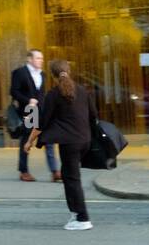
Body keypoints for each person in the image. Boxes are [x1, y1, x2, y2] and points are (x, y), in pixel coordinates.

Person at [27, 59, 97, 230]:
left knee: (72, 179)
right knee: (68, 176)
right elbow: (93, 115)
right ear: (69, 71)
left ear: (52, 75)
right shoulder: (82, 91)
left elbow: (41, 123)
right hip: (85, 140)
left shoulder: (53, 94)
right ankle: (75, 214)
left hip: (70, 143)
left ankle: (82, 218)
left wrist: (29, 141)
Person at [10, 49, 60, 183]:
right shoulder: (19, 73)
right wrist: (28, 100)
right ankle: (23, 171)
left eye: (41, 58)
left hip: (43, 111)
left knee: (49, 138)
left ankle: (54, 171)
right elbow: (14, 91)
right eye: (38, 58)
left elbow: (42, 94)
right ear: (29, 59)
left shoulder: (42, 74)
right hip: (29, 112)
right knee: (27, 141)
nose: (41, 61)